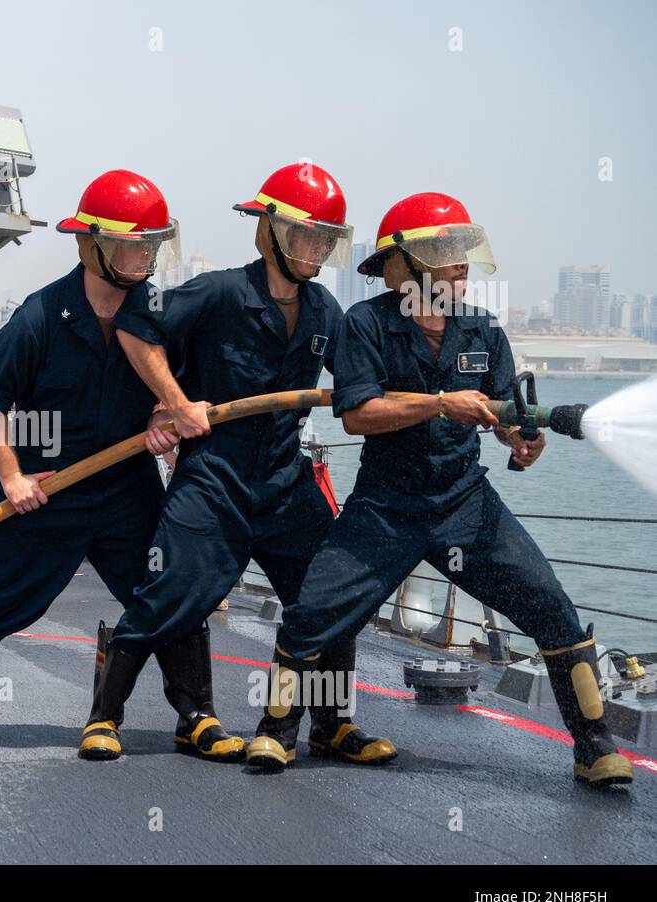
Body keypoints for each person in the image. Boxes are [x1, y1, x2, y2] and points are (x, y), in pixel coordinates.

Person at [245, 192, 632, 787]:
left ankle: (594, 746)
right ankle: (277, 730)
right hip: (385, 507)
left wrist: (521, 443)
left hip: (463, 503)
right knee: (314, 614)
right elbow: (356, 415)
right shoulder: (366, 324)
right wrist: (438, 404)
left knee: (552, 609)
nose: (460, 266)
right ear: (402, 266)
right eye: (445, 253)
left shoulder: (482, 328)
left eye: (462, 253)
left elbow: (503, 414)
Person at [77, 162, 362, 763]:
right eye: (306, 236)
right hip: (213, 478)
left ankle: (331, 725)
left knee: (328, 596)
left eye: (325, 241)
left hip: (286, 483)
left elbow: (365, 384)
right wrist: (176, 406)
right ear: (269, 232)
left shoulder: (322, 311)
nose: (315, 251)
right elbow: (135, 325)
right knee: (168, 594)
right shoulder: (220, 292)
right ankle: (104, 717)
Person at [0, 169, 180, 752]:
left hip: (128, 488)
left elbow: (178, 386)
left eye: (150, 245)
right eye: (132, 244)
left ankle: (186, 716)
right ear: (92, 244)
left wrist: (162, 414)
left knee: (165, 592)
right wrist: (11, 476)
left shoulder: (156, 314)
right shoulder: (42, 314)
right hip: (51, 489)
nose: (143, 257)